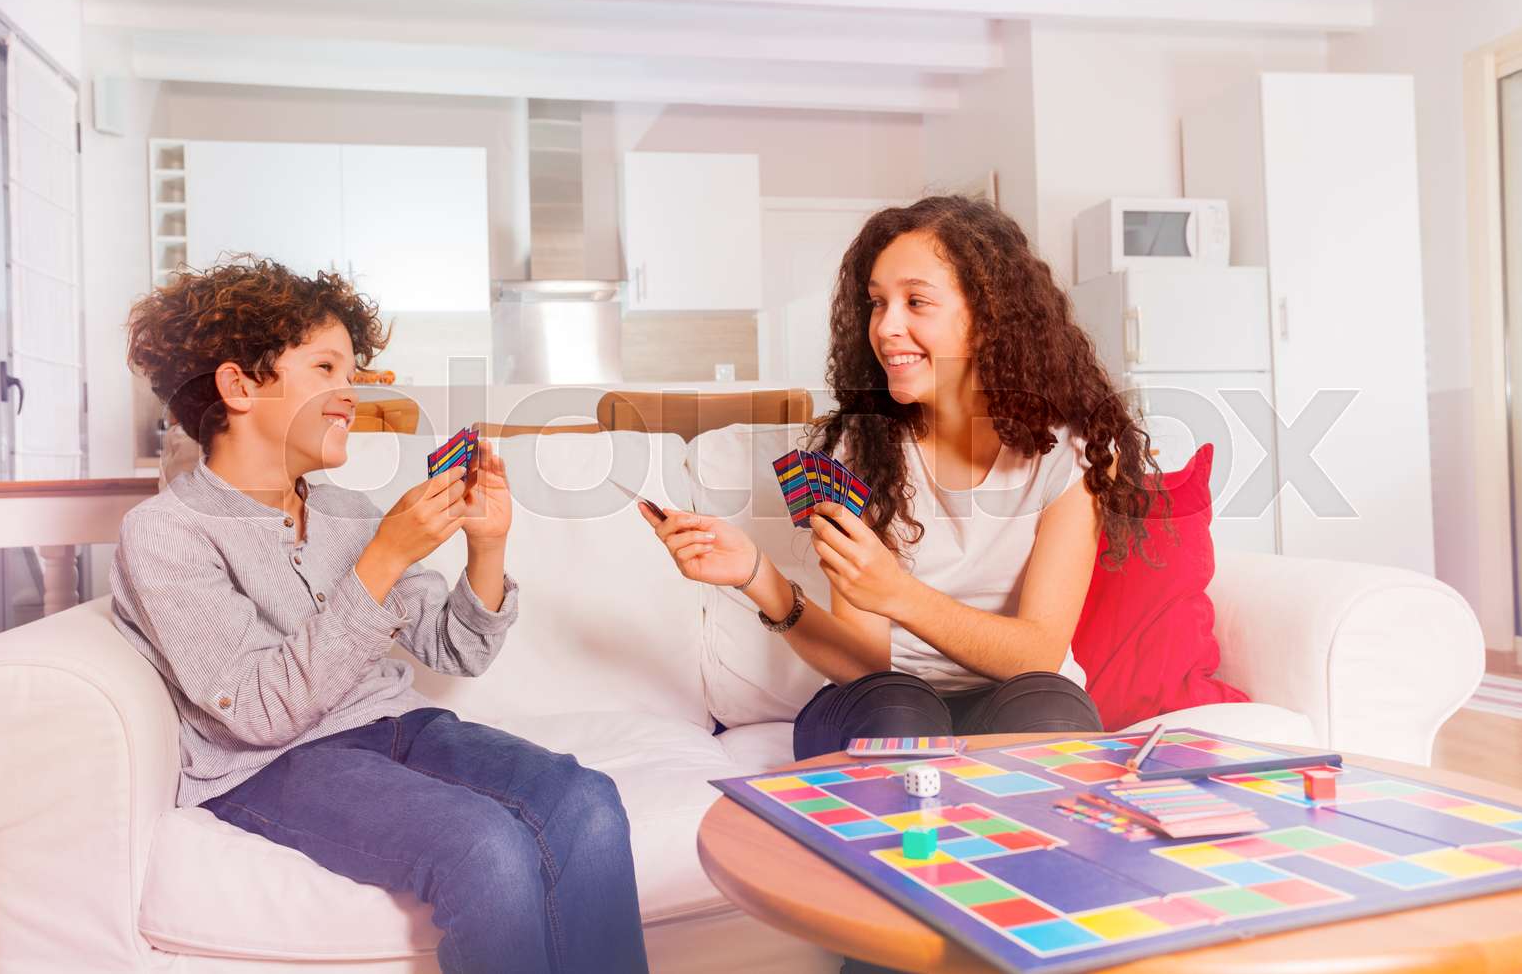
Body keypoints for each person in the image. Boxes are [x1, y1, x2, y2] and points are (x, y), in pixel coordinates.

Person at [112, 257, 649, 974]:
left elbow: (457, 649)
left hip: (398, 728)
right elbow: (259, 712)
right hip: (273, 765)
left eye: (352, 372)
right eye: (327, 368)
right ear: (240, 385)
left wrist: (486, 547)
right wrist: (382, 561)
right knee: (485, 847)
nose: (351, 394)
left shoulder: (345, 510)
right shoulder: (168, 532)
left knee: (588, 802)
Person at [642, 196, 1168, 759]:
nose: (887, 327)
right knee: (901, 710)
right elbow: (864, 662)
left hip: (1013, 696)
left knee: (1052, 707)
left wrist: (900, 595)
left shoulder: (1074, 453)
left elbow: (1038, 653)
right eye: (876, 303)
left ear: (989, 317)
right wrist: (755, 576)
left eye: (916, 302)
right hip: (882, 699)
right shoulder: (849, 448)